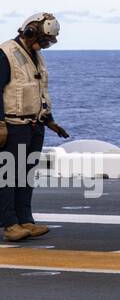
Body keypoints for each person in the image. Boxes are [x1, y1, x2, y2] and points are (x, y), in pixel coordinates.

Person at [1, 13, 71, 243]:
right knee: (8, 176)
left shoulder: (36, 55)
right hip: (13, 126)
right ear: (29, 31)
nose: (45, 45)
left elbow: (38, 91)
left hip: (34, 125)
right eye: (43, 40)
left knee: (27, 175)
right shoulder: (6, 54)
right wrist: (0, 124)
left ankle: (25, 220)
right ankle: (10, 224)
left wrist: (50, 120)